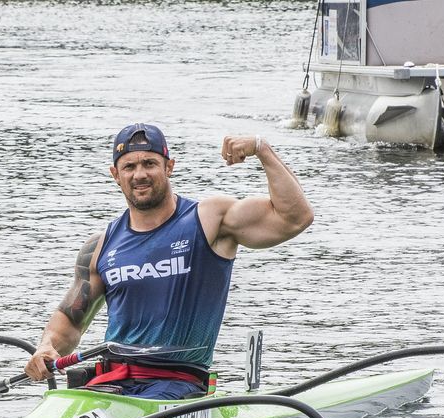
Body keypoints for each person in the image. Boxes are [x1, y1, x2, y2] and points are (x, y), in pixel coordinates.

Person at [24, 123, 314, 400]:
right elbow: (72, 321)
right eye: (130, 166)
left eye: (149, 163)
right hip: (110, 384)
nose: (140, 174)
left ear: (169, 167)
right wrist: (46, 346)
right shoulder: (100, 246)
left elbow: (294, 218)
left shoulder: (210, 219)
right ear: (116, 174)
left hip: (178, 385)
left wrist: (262, 149)